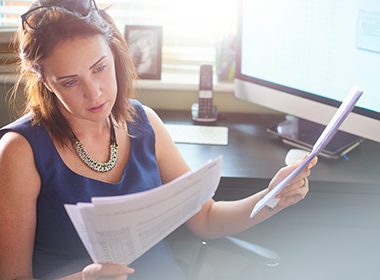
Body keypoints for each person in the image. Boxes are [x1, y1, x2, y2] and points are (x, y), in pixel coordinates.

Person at [0, 0, 317, 279]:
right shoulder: (20, 151)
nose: (93, 92)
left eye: (100, 68)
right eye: (70, 82)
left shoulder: (143, 121)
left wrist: (273, 198)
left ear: (114, 55)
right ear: (46, 83)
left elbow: (205, 218)